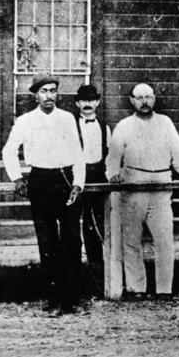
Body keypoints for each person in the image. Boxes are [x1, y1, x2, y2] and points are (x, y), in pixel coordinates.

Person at [108, 83, 179, 299]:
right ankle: (137, 289)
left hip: (161, 187)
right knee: (131, 240)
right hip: (133, 186)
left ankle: (164, 290)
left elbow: (178, 156)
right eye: (139, 97)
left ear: (154, 99)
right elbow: (113, 158)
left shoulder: (165, 123)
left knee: (164, 240)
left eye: (148, 97)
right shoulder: (124, 125)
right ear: (132, 100)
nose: (144, 102)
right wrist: (113, 174)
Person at [2, 75, 86, 314]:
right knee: (47, 240)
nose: (49, 96)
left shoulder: (68, 118)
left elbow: (78, 154)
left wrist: (78, 184)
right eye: (44, 91)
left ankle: (70, 297)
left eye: (52, 91)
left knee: (71, 239)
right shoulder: (26, 121)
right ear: (35, 95)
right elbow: (9, 151)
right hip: (39, 181)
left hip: (65, 179)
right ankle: (54, 296)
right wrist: (17, 178)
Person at [72, 84, 109, 266]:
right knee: (72, 220)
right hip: (75, 178)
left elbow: (110, 155)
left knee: (94, 220)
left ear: (98, 102)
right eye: (84, 100)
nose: (88, 104)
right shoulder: (71, 126)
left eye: (92, 100)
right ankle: (74, 265)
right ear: (78, 103)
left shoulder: (104, 127)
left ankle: (96, 263)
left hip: (98, 178)